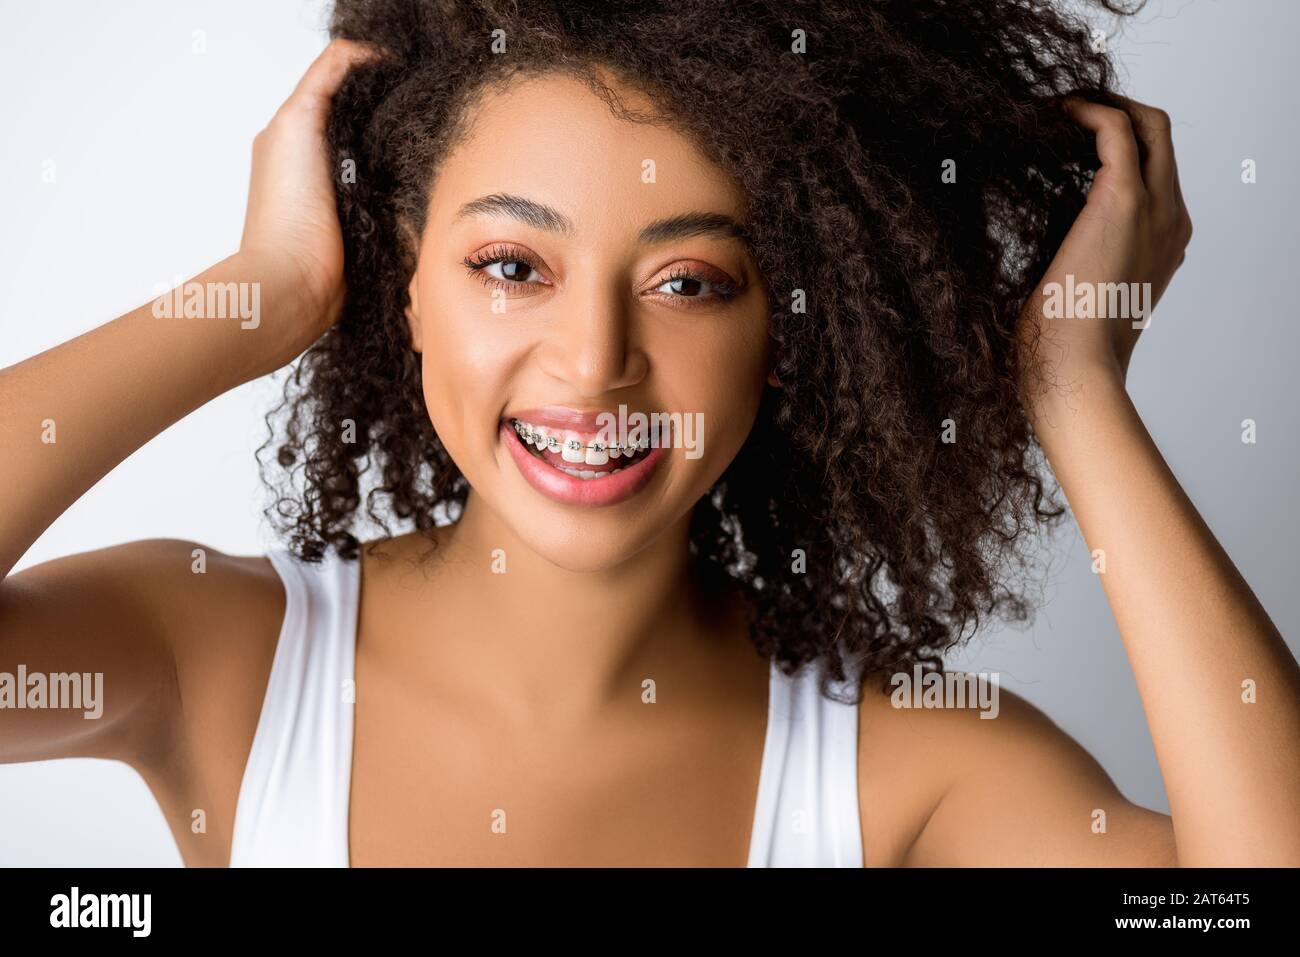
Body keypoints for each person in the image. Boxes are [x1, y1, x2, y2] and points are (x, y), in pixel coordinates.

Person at [2, 0, 1296, 867]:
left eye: (691, 282)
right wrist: (263, 298)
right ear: (401, 281)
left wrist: (1073, 391)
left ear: (796, 322)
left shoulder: (904, 765)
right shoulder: (221, 661)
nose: (594, 363)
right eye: (511, 264)